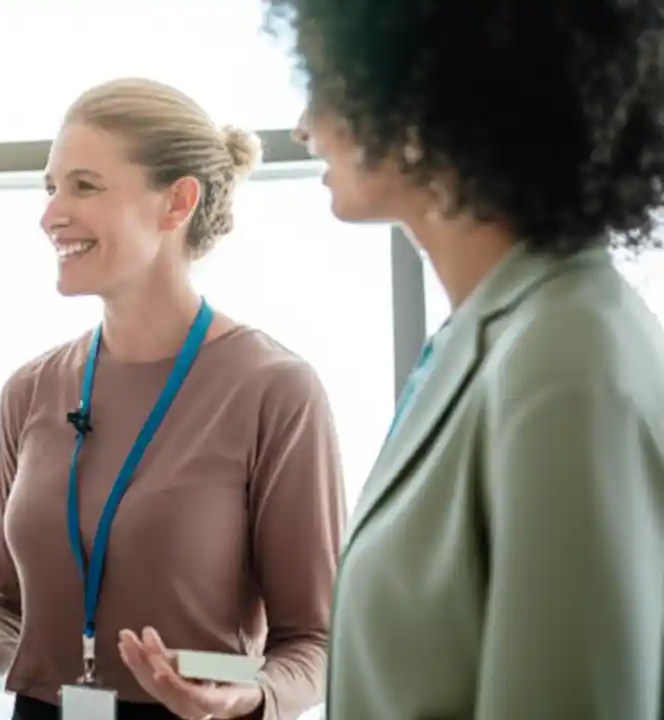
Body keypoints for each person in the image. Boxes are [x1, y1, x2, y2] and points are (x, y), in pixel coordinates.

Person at [0, 78, 346, 720]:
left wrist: (251, 694)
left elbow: (315, 641)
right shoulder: (31, 390)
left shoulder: (274, 389)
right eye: (51, 186)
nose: (52, 213)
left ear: (177, 202)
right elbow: (13, 613)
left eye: (85, 186)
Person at [272, 0, 664, 717]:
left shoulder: (567, 362)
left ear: (429, 97)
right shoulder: (490, 338)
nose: (306, 125)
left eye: (329, 83)